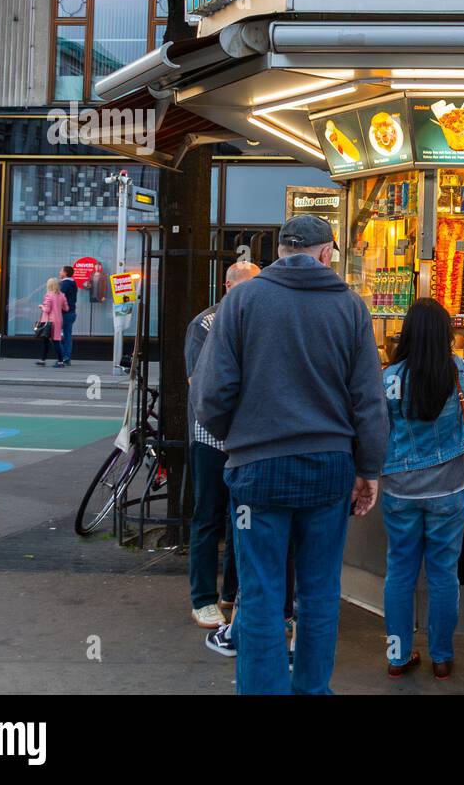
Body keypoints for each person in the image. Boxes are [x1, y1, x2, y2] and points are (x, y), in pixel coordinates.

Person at [192, 215, 388, 695]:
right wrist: (369, 468)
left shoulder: (241, 301)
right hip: (328, 466)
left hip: (256, 470)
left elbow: (210, 395)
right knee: (319, 593)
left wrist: (241, 436)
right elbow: (368, 399)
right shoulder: (350, 307)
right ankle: (312, 689)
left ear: (279, 252)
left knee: (259, 595)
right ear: (326, 254)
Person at [380, 298, 464, 680]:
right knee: (443, 573)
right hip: (448, 490)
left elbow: (377, 424)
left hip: (400, 491)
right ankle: (441, 656)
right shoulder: (455, 370)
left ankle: (398, 656)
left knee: (399, 572)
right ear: (443, 335)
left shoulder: (388, 378)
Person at [185, 260, 261, 630]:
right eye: (249, 285)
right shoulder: (205, 324)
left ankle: (231, 591)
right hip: (212, 437)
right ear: (229, 287)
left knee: (240, 518)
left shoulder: (260, 322)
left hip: (245, 439)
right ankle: (202, 598)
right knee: (209, 516)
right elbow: (199, 382)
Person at [35, 277, 68, 366]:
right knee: (56, 340)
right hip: (58, 320)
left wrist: (41, 306)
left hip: (48, 321)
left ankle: (55, 361)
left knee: (46, 341)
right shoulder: (62, 295)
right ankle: (52, 360)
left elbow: (47, 309)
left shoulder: (48, 295)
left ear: (49, 285)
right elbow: (66, 308)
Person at [57, 265, 78, 367]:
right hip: (72, 312)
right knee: (68, 335)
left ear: (65, 273)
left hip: (64, 313)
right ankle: (67, 357)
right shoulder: (73, 283)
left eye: (61, 271)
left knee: (55, 335)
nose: (59, 272)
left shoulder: (64, 284)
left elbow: (58, 298)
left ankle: (63, 356)